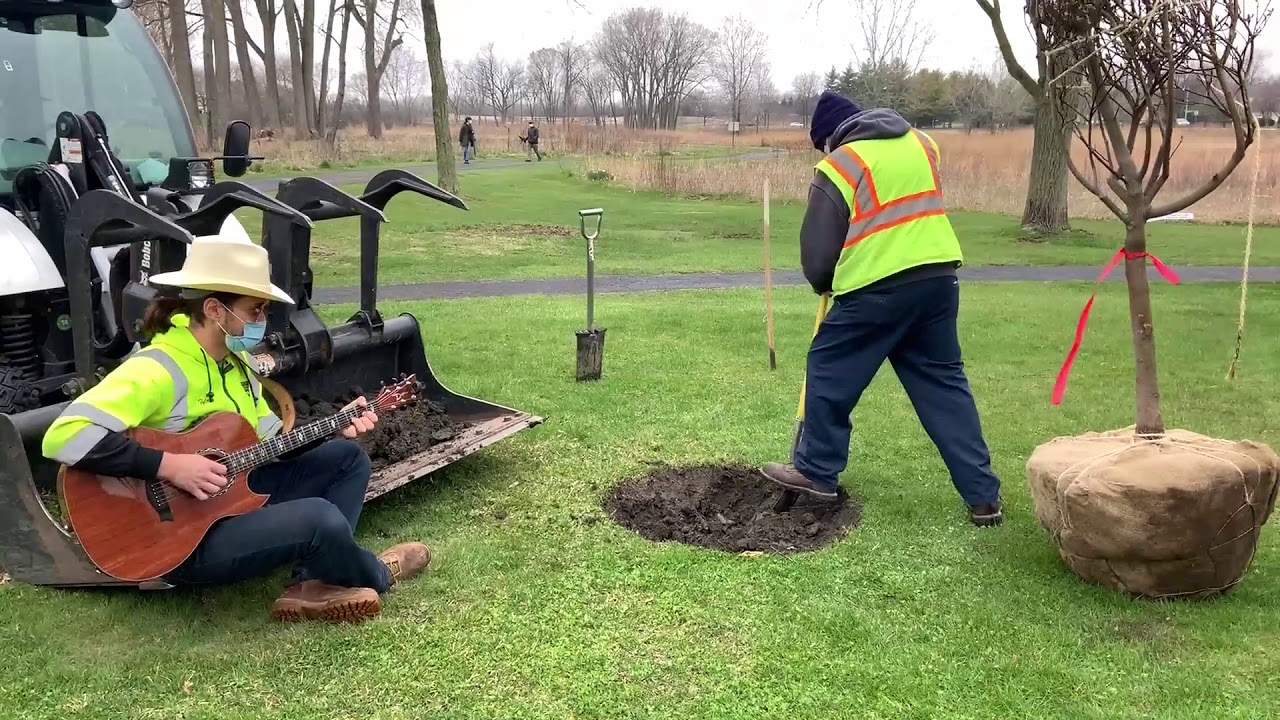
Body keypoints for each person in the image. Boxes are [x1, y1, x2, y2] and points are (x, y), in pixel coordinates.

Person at [42, 239, 432, 620]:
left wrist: (333, 426)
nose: (261, 321)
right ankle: (378, 573)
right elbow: (64, 435)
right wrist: (169, 466)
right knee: (320, 519)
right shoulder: (157, 368)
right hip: (177, 541)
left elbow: (272, 442)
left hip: (228, 503)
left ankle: (312, 584)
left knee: (346, 458)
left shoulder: (237, 362)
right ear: (214, 308)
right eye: (255, 310)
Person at [760, 90, 1004, 527]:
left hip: (877, 286)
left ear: (830, 137)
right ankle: (984, 497)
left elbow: (817, 253)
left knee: (828, 366)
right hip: (938, 281)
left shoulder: (842, 163)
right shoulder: (922, 144)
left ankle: (816, 471)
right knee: (943, 387)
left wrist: (823, 281)